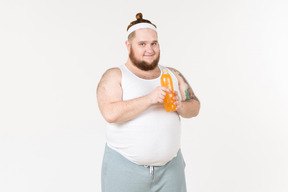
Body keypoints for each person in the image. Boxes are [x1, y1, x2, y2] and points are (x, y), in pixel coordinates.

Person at [97, 12, 200, 192]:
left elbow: (195, 106)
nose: (149, 50)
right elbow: (110, 113)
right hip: (125, 168)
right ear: (128, 46)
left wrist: (181, 106)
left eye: (154, 43)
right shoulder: (115, 75)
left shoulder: (173, 74)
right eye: (142, 44)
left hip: (170, 170)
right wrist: (150, 99)